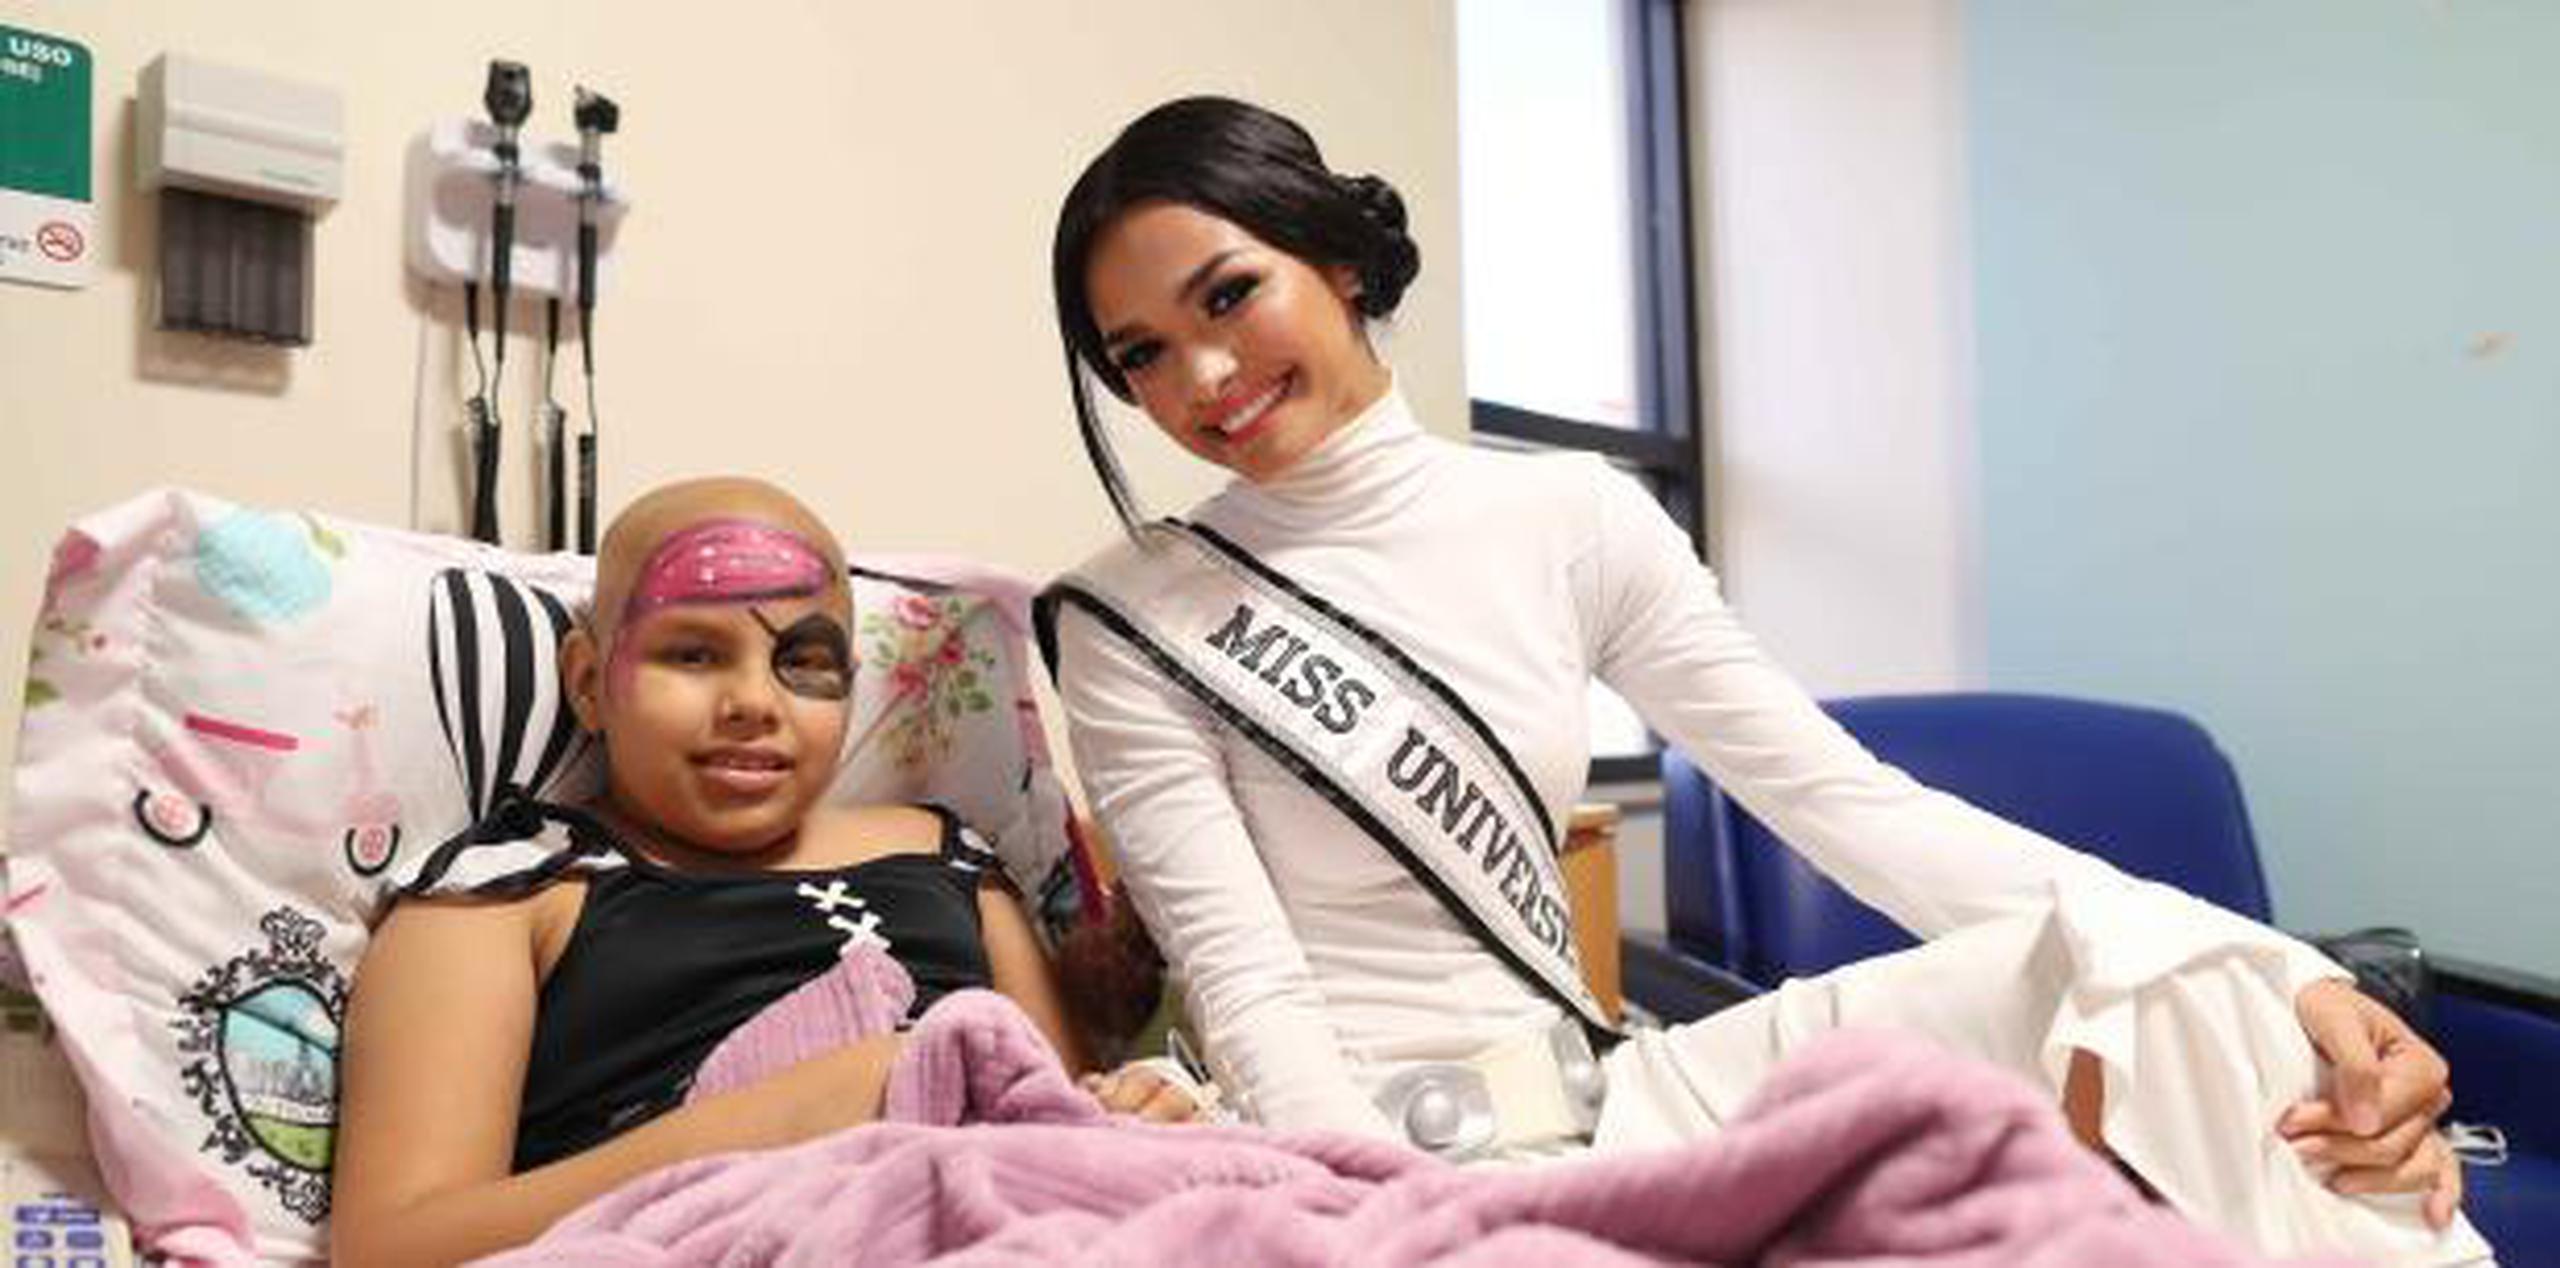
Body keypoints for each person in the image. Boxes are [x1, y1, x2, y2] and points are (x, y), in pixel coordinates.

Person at [1038, 96, 2488, 1262]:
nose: (1202, 377)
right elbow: (1248, 982)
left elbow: (1841, 802)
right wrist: (1380, 1217)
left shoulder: (1573, 518)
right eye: (1143, 356)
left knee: (2196, 986)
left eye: (1230, 295)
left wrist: (2290, 974)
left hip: (1619, 1097)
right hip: (1387, 1140)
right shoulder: (1133, 619)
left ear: (1336, 261)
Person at [332, 478, 1192, 1268]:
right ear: (590, 682)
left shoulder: (946, 857)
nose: (754, 703)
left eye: (804, 663)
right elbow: (393, 1246)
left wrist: (1138, 1108)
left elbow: (1062, 1114)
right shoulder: (510, 889)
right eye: (694, 655)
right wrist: (791, 1115)